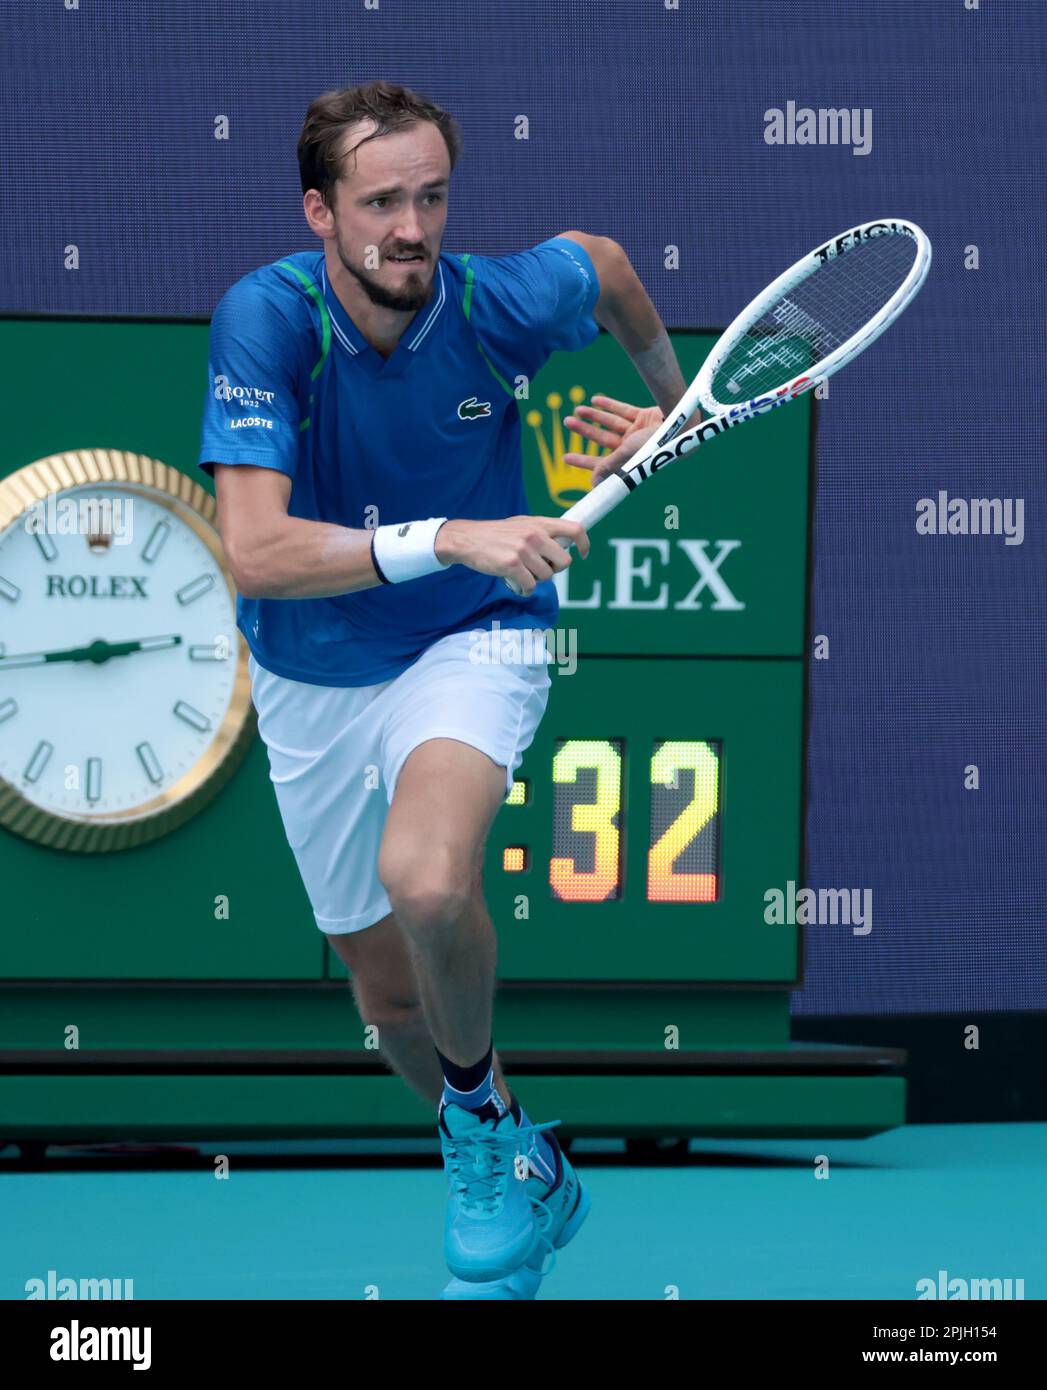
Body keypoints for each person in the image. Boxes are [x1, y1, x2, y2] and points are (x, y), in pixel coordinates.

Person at [198, 79, 690, 1299]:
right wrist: (451, 531)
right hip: (313, 663)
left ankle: (475, 1141)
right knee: (383, 1001)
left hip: (475, 634)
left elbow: (610, 264)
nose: (409, 226)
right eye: (379, 203)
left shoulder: (497, 301)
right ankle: (519, 1150)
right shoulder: (265, 320)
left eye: (430, 197)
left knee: (425, 875)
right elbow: (255, 551)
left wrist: (669, 406)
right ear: (319, 211)